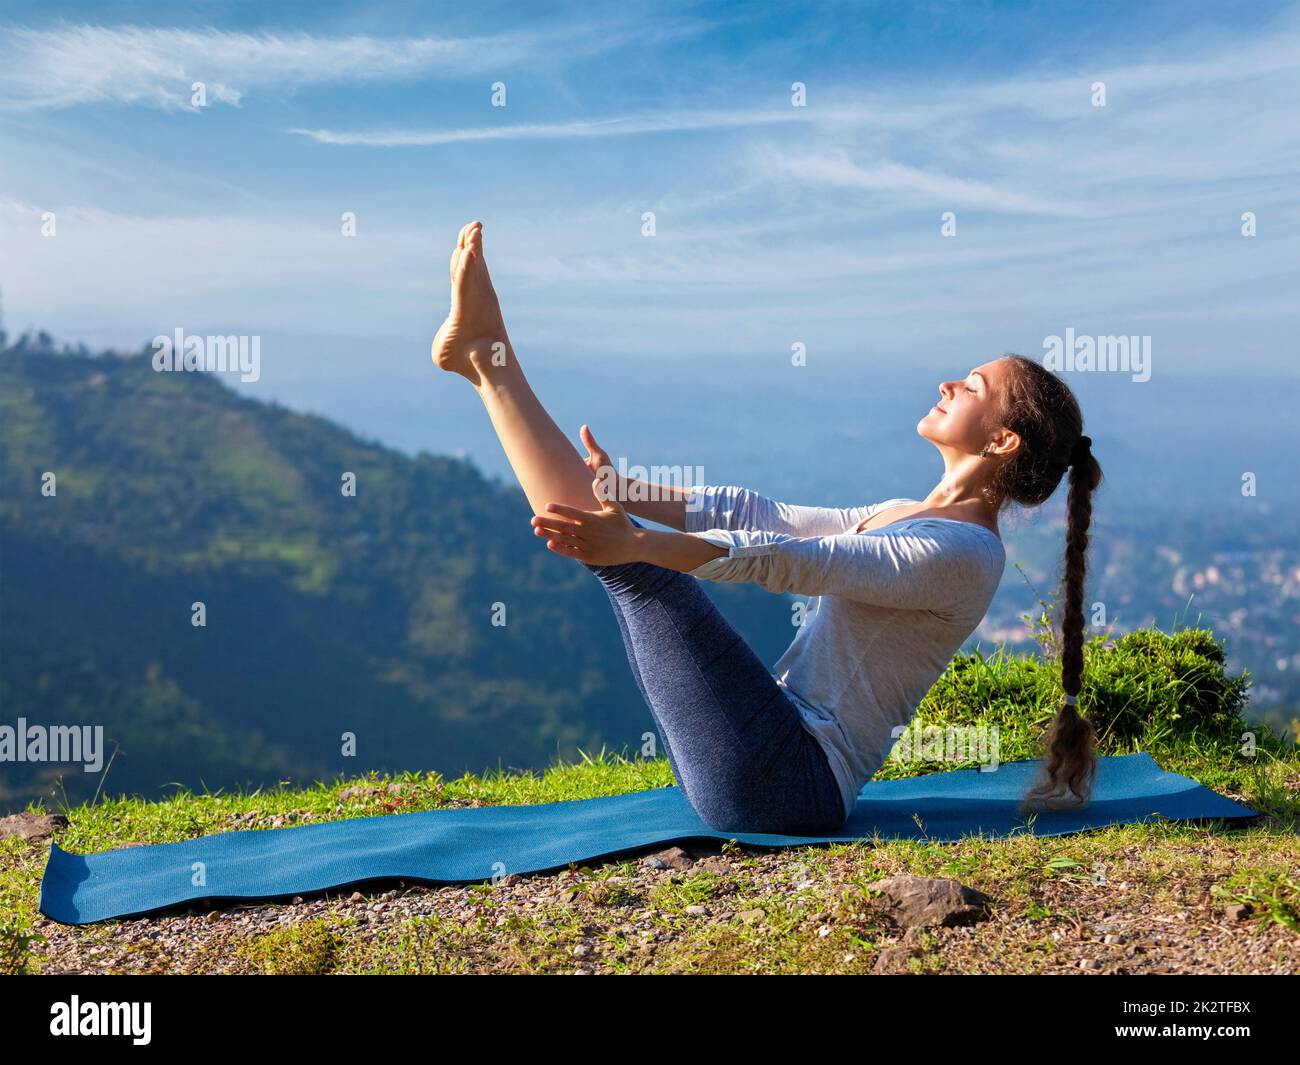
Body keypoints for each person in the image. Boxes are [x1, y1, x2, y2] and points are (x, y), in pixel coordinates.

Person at [432, 221, 1104, 834]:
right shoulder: (915, 514)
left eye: (975, 388)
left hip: (788, 785)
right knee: (628, 554)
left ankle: (490, 363)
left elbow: (789, 560)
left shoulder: (963, 554)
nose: (950, 382)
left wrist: (637, 542)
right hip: (773, 755)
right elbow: (764, 516)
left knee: (636, 569)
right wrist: (623, 492)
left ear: (1003, 442)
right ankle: (485, 361)